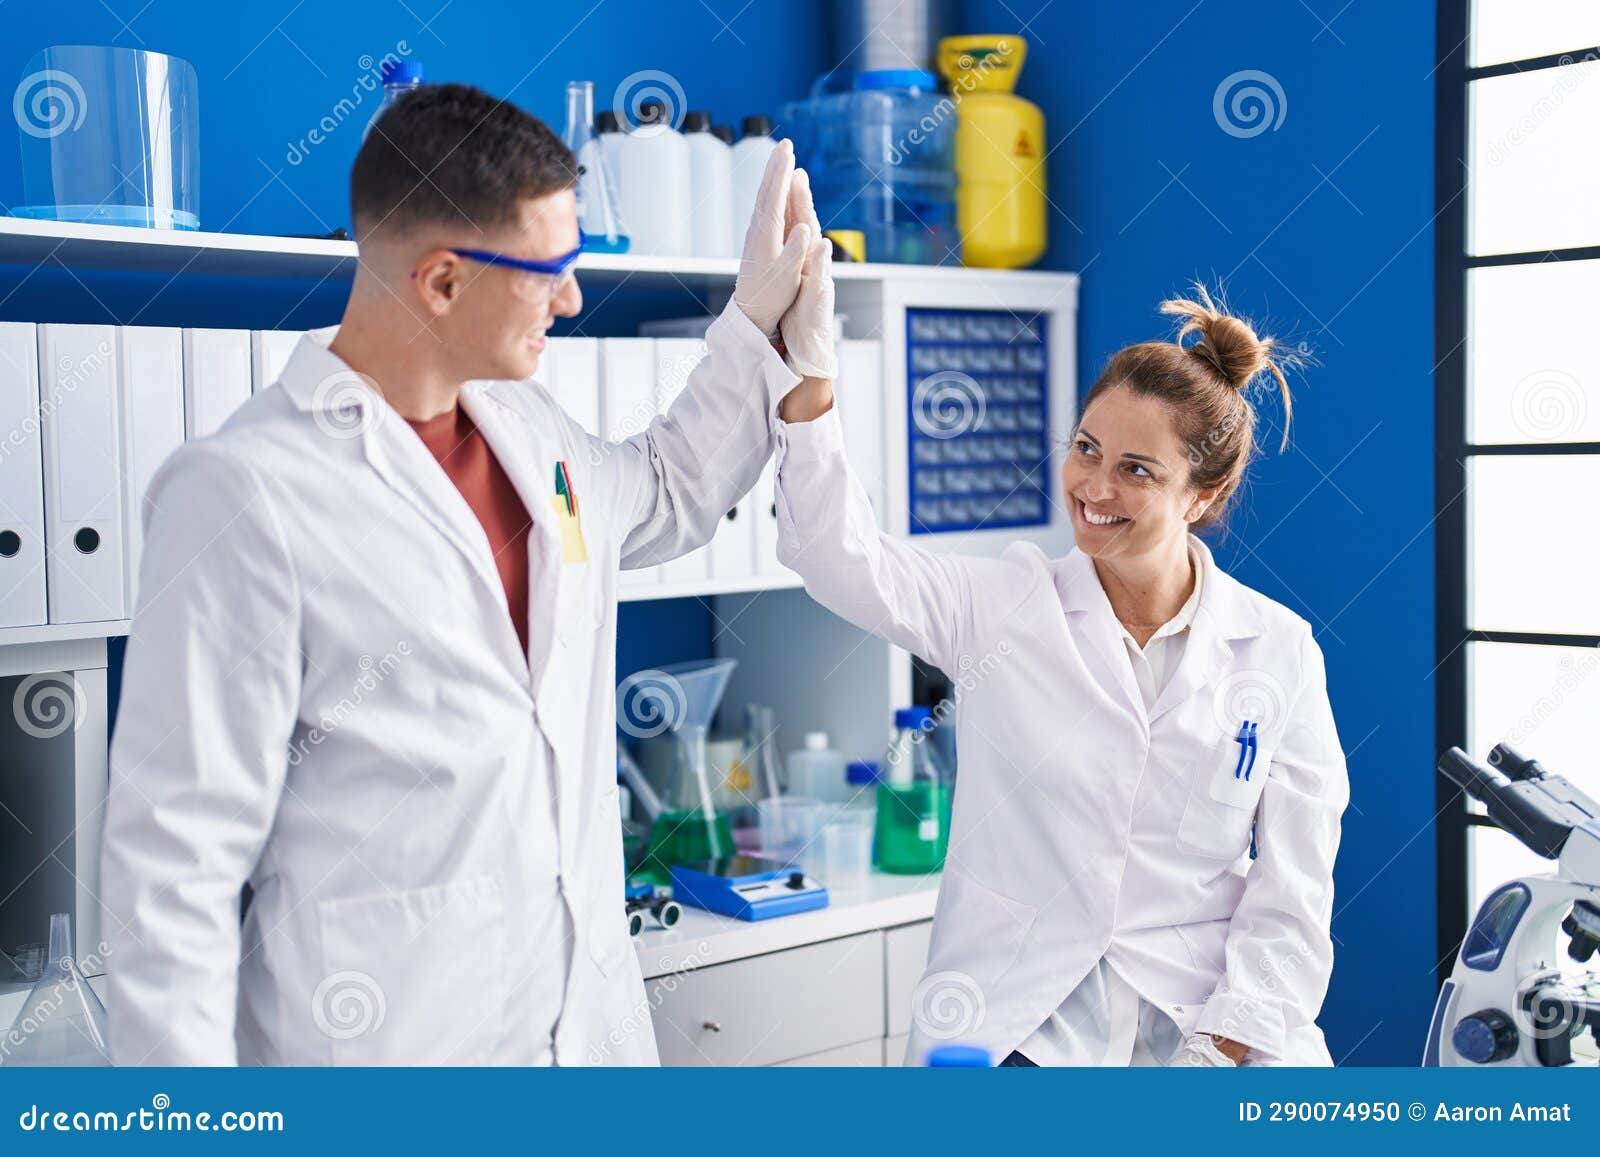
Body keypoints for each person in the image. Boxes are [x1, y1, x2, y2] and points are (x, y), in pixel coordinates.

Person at [101, 83, 820, 1066]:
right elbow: (170, 870)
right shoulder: (244, 493)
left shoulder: (529, 431)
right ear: (440, 280)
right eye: (550, 271)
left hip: (583, 1039)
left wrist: (751, 324)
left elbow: (664, 488)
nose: (571, 297)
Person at [772, 236, 1349, 1066]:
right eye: (1086, 449)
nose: (1095, 487)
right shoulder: (1004, 606)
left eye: (1137, 470)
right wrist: (811, 365)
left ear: (1204, 494)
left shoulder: (1279, 650)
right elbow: (833, 550)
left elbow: (1294, 888)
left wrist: (1219, 1050)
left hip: (1207, 1023)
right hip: (1018, 1024)